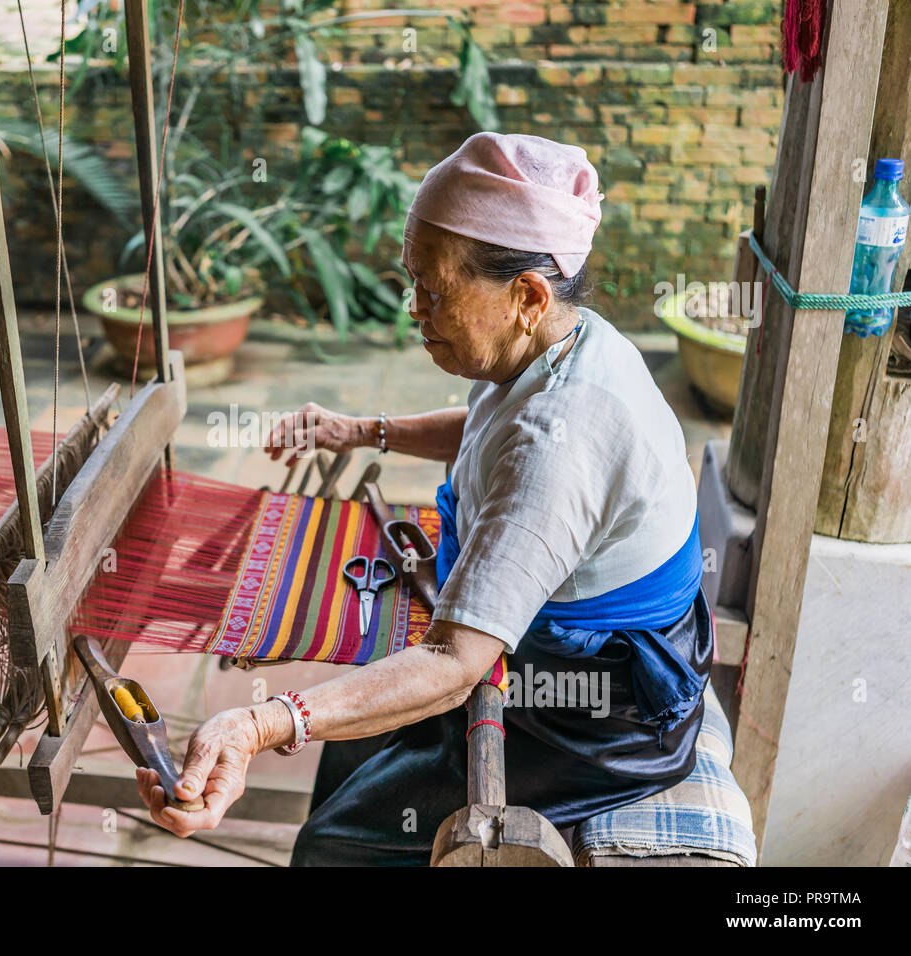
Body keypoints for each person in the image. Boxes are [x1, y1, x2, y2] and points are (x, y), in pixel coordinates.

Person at [134, 132, 710, 866]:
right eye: (413, 281)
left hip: (599, 716)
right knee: (347, 752)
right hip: (553, 659)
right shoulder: (561, 341)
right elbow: (483, 427)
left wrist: (257, 724)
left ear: (528, 295)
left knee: (335, 844)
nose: (414, 308)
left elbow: (455, 662)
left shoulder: (565, 436)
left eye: (434, 291)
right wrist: (359, 430)